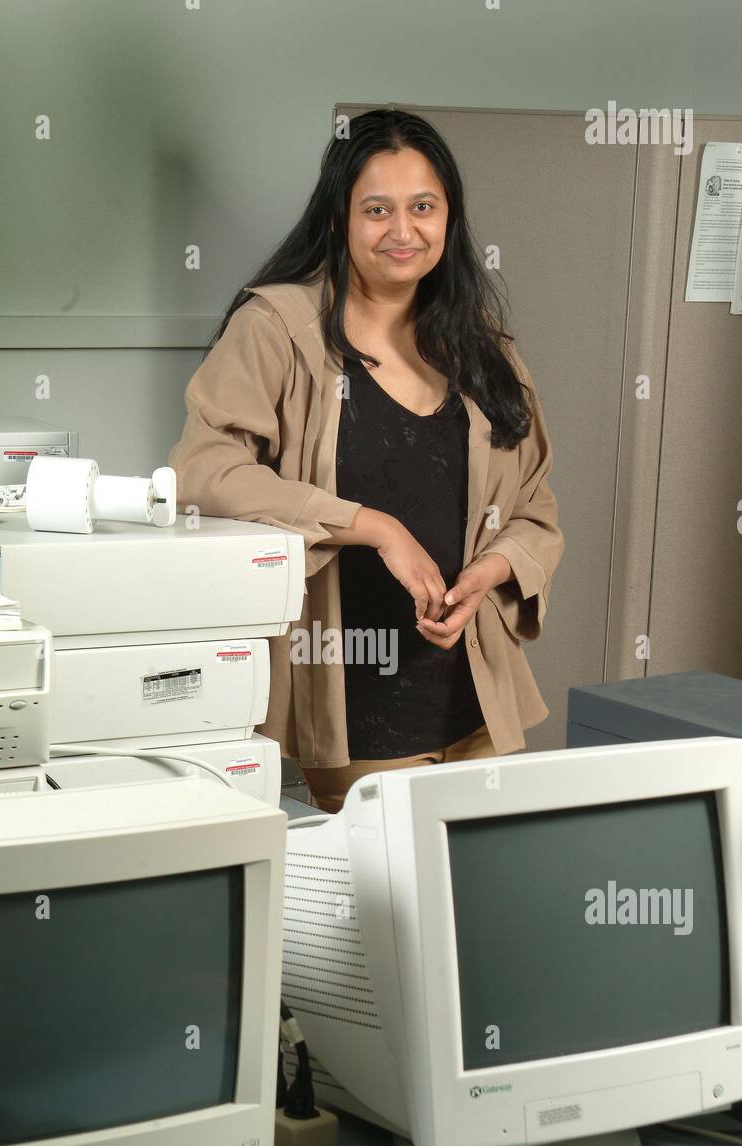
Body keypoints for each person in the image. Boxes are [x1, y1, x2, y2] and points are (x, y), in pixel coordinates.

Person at [169, 108, 564, 813]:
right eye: (376, 210)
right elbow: (204, 474)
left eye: (423, 208)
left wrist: (492, 569)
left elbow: (535, 507)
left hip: (479, 701)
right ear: (336, 221)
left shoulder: (482, 346)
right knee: (397, 914)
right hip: (358, 705)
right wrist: (372, 526)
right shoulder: (278, 328)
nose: (402, 231)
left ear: (449, 219)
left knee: (484, 908)